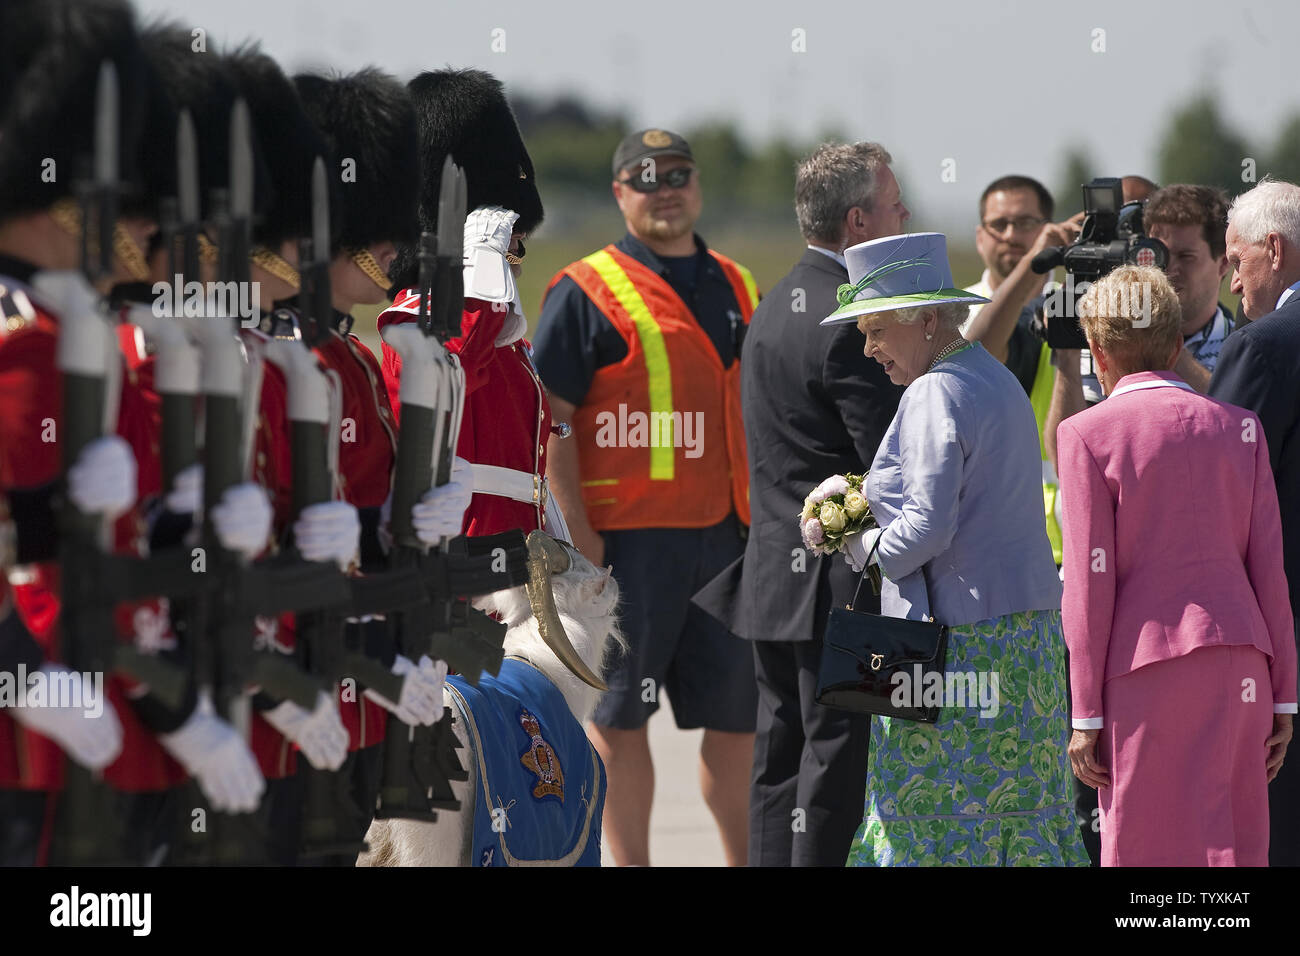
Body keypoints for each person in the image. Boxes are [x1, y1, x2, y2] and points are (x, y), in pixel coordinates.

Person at [533, 128, 759, 866]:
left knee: (738, 723)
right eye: (644, 176)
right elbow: (552, 422)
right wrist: (578, 540)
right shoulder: (583, 289)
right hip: (629, 545)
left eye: (678, 174)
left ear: (696, 184)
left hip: (728, 540)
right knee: (620, 722)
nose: (664, 188)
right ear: (619, 192)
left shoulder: (739, 282)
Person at [825, 232, 1088, 867]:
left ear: (928, 317)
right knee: (1019, 812)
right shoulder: (991, 376)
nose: (869, 348)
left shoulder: (932, 391)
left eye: (877, 328)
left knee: (932, 822)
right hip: (1024, 644)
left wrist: (852, 541)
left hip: (955, 653)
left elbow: (925, 530)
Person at [696, 141, 906, 866]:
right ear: (857, 222)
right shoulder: (856, 318)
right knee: (840, 767)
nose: (904, 216)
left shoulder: (779, 304)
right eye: (893, 206)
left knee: (779, 762)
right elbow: (891, 461)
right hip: (848, 583)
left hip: (777, 577)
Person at [1059, 265, 1295, 866]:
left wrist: (1084, 710)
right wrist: (1285, 696)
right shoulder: (1241, 428)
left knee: (1143, 844)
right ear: (1175, 343)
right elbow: (1270, 569)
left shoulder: (1087, 432)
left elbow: (1089, 585)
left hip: (1142, 668)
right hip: (1243, 659)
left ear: (1098, 352)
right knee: (1234, 842)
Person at [378, 69, 561, 540]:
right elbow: (446, 371)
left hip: (519, 553)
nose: (514, 252)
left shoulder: (497, 328)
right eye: (511, 245)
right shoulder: (418, 312)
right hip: (467, 568)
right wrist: (479, 258)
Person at [1208, 177, 1300, 866]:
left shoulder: (1262, 348)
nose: (1233, 284)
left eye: (1236, 262)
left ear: (1275, 250)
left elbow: (1215, 499)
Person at [1142, 185, 1235, 392]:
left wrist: (1166, 346)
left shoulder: (1245, 352)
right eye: (1158, 254)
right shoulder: (1116, 342)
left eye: (1186, 257)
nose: (1168, 269)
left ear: (1223, 263)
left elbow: (1238, 419)